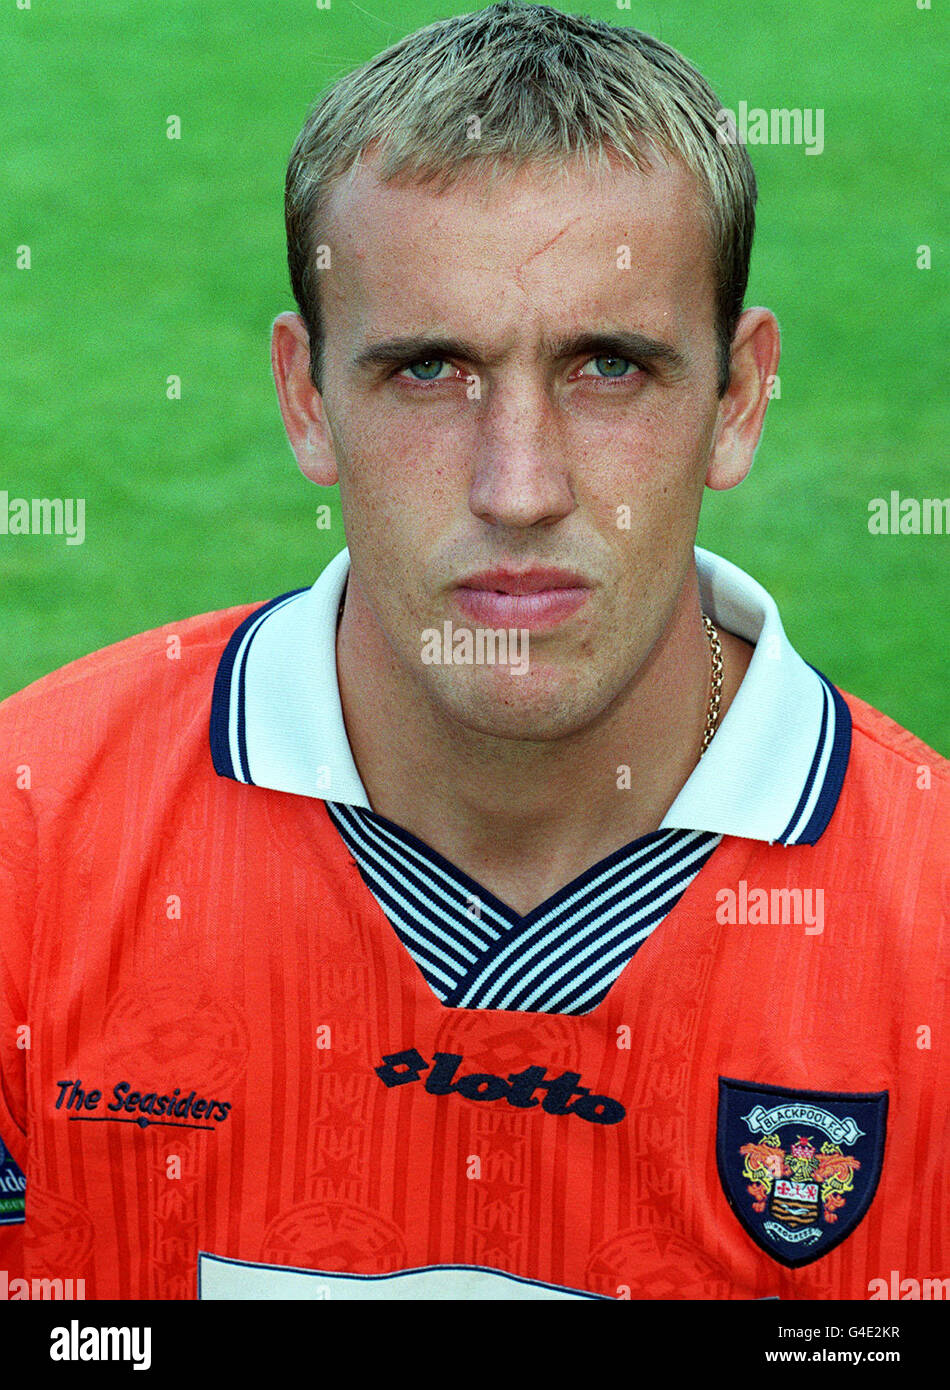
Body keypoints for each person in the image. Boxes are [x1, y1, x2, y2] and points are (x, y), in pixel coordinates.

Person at [0, 0, 945, 1301]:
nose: (518, 484)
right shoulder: (30, 843)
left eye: (606, 366)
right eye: (428, 370)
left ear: (734, 399)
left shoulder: (925, 928)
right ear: (304, 398)